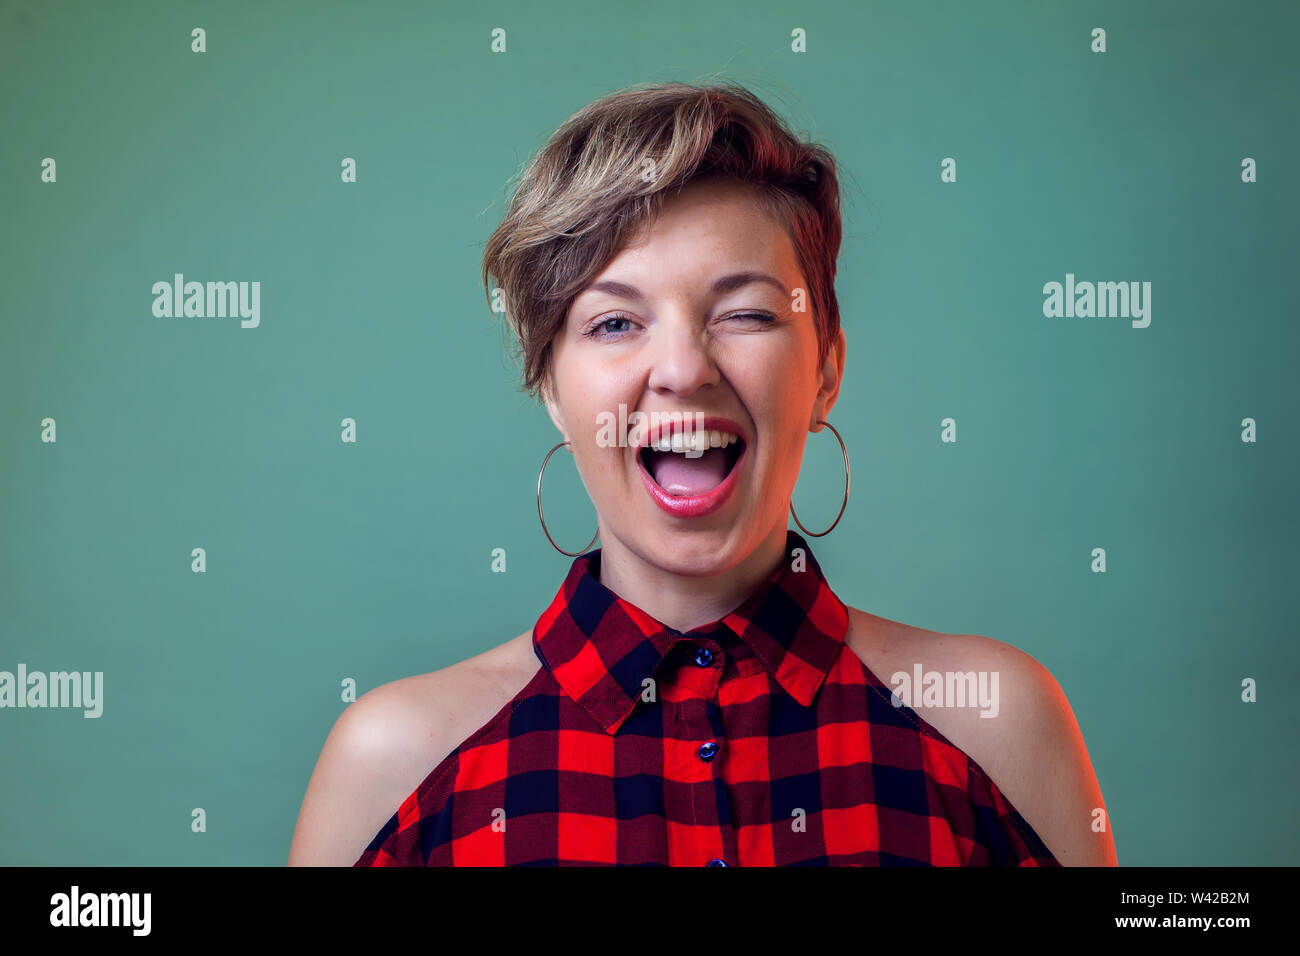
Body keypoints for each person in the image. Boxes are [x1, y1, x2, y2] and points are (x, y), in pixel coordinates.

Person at [289, 80, 1117, 866]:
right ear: (550, 387)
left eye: (747, 313)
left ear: (827, 366)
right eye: (615, 321)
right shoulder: (394, 769)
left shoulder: (996, 728)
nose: (684, 368)